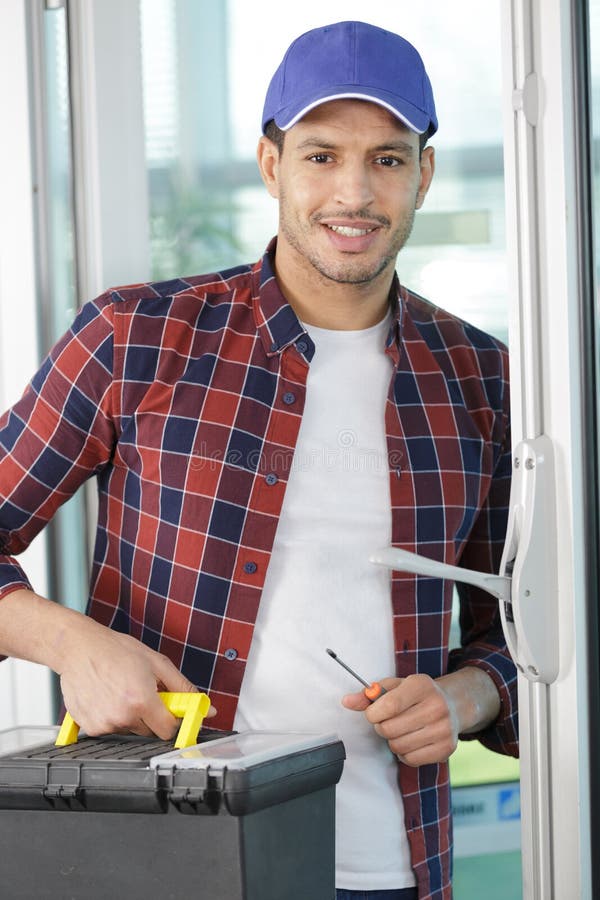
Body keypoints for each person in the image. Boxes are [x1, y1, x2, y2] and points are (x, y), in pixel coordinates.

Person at [0, 20, 517, 900]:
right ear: (272, 164)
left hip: (393, 867)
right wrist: (73, 644)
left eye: (387, 160)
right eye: (322, 155)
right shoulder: (136, 338)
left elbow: (534, 630)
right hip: (158, 855)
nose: (353, 193)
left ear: (423, 174)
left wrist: (471, 697)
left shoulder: (483, 380)